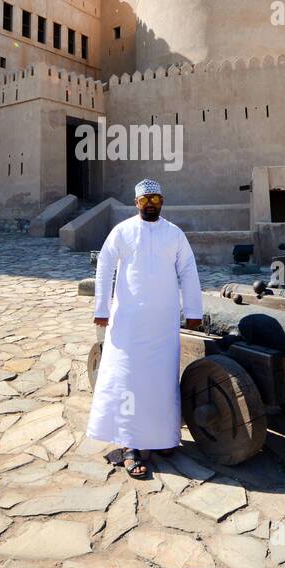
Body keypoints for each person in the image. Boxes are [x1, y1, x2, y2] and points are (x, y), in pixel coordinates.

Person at [87, 179, 203, 479]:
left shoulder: (174, 234)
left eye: (154, 199)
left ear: (162, 200)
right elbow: (105, 266)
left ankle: (161, 438)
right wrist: (101, 309)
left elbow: (188, 270)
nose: (149, 204)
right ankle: (130, 446)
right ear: (136, 203)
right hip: (127, 322)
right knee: (129, 381)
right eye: (144, 200)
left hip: (163, 324)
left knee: (160, 381)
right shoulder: (122, 232)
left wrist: (193, 311)